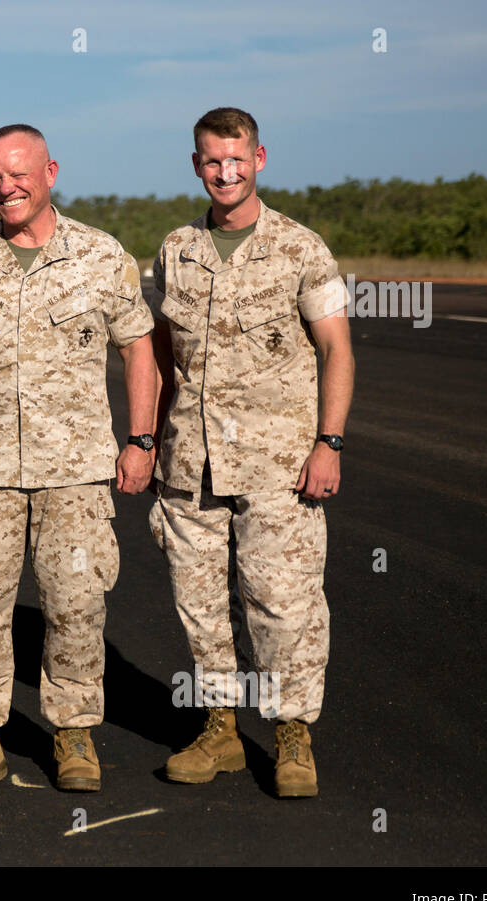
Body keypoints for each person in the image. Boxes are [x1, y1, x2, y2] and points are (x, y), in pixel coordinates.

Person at [0, 124, 158, 795]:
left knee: (77, 604)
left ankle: (73, 732)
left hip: (75, 470)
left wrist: (141, 439)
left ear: (50, 173)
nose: (6, 187)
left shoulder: (100, 256)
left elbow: (139, 349)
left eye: (18, 174)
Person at [147, 107, 354, 798]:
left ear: (259, 160)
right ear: (196, 165)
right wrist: (150, 441)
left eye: (237, 158)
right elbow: (161, 354)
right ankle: (221, 730)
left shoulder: (300, 248)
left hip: (278, 465)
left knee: (283, 602)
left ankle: (293, 735)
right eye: (212, 160)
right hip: (191, 462)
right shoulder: (176, 249)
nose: (225, 171)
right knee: (200, 604)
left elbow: (336, 350)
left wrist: (328, 443)